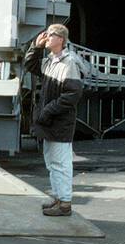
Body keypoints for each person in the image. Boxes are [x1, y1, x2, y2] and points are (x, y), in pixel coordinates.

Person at [23, 23, 84, 217]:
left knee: (61, 163)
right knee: (52, 162)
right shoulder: (50, 61)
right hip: (50, 121)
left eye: (50, 35)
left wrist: (47, 111)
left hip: (60, 122)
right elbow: (29, 65)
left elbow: (72, 95)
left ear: (61, 40)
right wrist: (36, 47)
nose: (47, 37)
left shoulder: (69, 62)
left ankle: (64, 203)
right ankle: (58, 197)